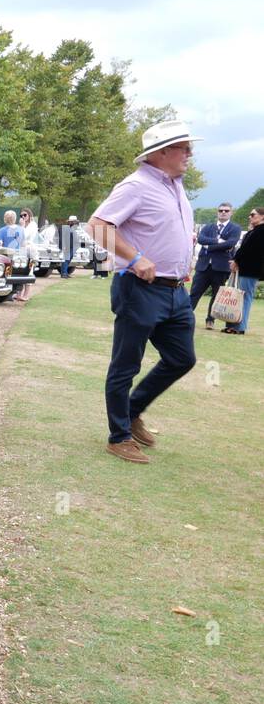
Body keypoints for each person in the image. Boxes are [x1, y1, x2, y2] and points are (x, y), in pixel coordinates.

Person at [86, 118, 200, 464]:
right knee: (125, 365)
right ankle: (118, 436)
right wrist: (135, 258)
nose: (189, 154)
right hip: (140, 288)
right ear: (162, 152)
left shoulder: (174, 185)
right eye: (184, 148)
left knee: (183, 358)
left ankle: (131, 411)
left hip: (174, 291)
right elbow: (97, 226)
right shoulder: (135, 185)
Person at [189, 202, 242, 330]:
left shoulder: (235, 228)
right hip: (203, 266)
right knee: (194, 293)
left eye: (226, 211)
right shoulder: (209, 227)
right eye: (221, 210)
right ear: (217, 212)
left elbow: (231, 243)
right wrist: (219, 242)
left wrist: (210, 246)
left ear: (231, 213)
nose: (223, 212)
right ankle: (185, 318)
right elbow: (201, 239)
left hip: (221, 267)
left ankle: (210, 320)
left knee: (216, 296)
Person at [225, 207, 263, 334]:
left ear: (262, 216)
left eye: (253, 214)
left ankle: (240, 327)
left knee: (245, 297)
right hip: (244, 268)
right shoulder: (254, 231)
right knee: (237, 298)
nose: (249, 216)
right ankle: (233, 324)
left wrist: (236, 260)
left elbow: (247, 249)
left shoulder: (261, 231)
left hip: (251, 270)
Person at [15, 209, 38, 300]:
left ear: (29, 215)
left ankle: (26, 295)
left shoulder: (33, 225)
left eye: (25, 215)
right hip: (21, 249)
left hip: (29, 249)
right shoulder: (21, 225)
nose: (23, 217)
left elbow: (25, 235)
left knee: (29, 271)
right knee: (19, 270)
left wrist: (22, 226)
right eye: (21, 215)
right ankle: (18, 294)